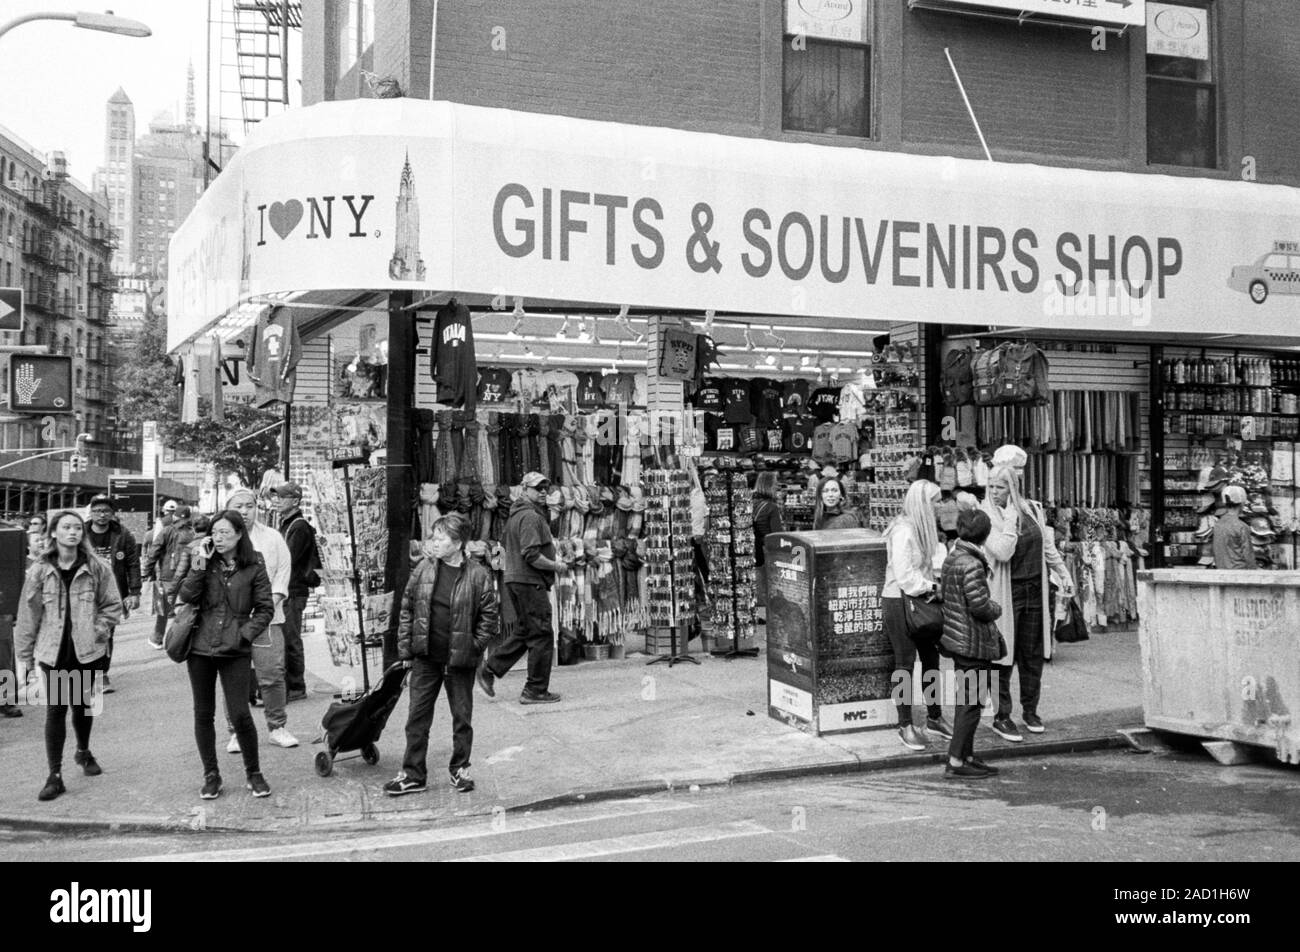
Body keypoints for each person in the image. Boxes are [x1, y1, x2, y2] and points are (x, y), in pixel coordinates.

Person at [386, 513, 499, 796]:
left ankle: (460, 770)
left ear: (458, 543)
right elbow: (407, 608)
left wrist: (474, 646)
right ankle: (413, 774)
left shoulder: (478, 574)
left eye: (441, 538)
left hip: (459, 660)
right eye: (433, 537)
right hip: (426, 658)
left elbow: (489, 616)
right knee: (417, 718)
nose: (434, 543)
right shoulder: (424, 568)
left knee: (462, 719)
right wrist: (406, 650)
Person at [15, 510, 123, 802]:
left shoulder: (97, 567)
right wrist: (24, 658)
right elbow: (28, 615)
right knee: (56, 710)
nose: (73, 532)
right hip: (53, 652)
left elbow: (113, 605)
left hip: (87, 651)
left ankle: (83, 751)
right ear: (53, 533)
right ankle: (55, 775)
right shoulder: (39, 570)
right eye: (66, 527)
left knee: (83, 706)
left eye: (77, 528)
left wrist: (98, 630)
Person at [177, 510, 275, 800]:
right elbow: (187, 595)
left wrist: (244, 634)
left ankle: (254, 772)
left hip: (235, 649)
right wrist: (200, 561)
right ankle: (211, 775)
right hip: (200, 647)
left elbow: (265, 608)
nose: (218, 538)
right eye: (214, 532)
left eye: (224, 533)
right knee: (203, 713)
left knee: (240, 713)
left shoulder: (254, 563)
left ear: (239, 534)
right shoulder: (202, 559)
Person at [981, 454, 1074, 742]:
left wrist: (1063, 573)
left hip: (1035, 588)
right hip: (1005, 593)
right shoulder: (986, 515)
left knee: (1032, 655)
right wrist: (1010, 517)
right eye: (991, 486)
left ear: (1013, 487)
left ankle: (1031, 711)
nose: (994, 492)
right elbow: (1002, 552)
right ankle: (1002, 716)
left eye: (1000, 487)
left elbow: (1047, 547)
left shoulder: (1033, 509)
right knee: (1002, 656)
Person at [476, 471, 564, 704]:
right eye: (538, 488)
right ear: (525, 490)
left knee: (526, 630)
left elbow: (501, 549)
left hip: (515, 580)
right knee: (542, 634)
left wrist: (504, 575)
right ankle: (534, 690)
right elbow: (531, 554)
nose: (543, 492)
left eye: (545, 488)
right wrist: (556, 566)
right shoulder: (531, 517)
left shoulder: (514, 516)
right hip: (529, 581)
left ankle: (490, 668)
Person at [223, 488, 297, 749]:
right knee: (234, 677)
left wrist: (268, 606)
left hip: (268, 619)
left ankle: (277, 726)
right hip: (231, 621)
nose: (244, 511)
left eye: (250, 506)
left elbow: (283, 574)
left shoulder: (273, 537)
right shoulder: (218, 538)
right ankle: (236, 731)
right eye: (238, 506)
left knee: (272, 674)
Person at [883, 480, 950, 750]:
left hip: (920, 600)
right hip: (899, 601)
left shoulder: (920, 529)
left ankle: (934, 717)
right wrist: (933, 587)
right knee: (905, 665)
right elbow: (905, 577)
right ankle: (905, 724)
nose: (940, 506)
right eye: (935, 501)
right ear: (923, 503)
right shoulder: (903, 530)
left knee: (931, 660)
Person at [939, 509, 1004, 779]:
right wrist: (996, 608)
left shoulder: (953, 556)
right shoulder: (973, 564)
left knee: (967, 701)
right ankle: (956, 760)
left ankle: (966, 755)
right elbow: (979, 606)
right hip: (973, 641)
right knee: (971, 703)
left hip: (958, 639)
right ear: (985, 535)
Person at [85, 494, 141, 694]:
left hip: (112, 593)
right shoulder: (81, 532)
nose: (102, 515)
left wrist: (135, 592)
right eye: (97, 511)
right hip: (83, 592)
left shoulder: (123, 534)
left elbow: (133, 564)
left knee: (106, 632)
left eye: (106, 511)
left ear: (112, 514)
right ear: (91, 513)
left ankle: (102, 674)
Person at [271, 481, 320, 701]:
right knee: (285, 637)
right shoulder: (287, 524)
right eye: (277, 497)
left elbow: (286, 558)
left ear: (295, 501)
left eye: (282, 497)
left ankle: (296, 686)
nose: (277, 501)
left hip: (293, 589)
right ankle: (290, 684)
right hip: (287, 588)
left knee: (291, 638)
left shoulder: (298, 526)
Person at [144, 503, 192, 650]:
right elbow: (199, 556)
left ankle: (157, 638)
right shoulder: (193, 532)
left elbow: (154, 551)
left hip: (168, 575)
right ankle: (182, 640)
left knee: (163, 609)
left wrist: (147, 571)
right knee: (186, 608)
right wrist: (199, 572)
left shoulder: (167, 531)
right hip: (189, 575)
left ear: (174, 517)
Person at [752, 471, 784, 617]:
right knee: (768, 583)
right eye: (775, 483)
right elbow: (777, 535)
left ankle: (757, 612)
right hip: (767, 551)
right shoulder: (771, 507)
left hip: (753, 550)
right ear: (769, 485)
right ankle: (766, 614)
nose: (777, 486)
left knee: (757, 582)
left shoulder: (750, 503)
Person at [1212, 485, 1256, 570]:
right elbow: (1248, 556)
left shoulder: (1218, 524)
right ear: (1242, 503)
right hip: (1239, 572)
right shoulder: (1242, 527)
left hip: (1221, 571)